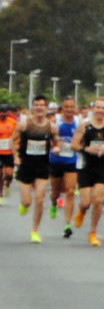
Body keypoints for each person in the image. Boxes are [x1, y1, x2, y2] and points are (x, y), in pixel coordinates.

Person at [73, 99, 104, 246]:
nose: (100, 110)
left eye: (103, 108)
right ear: (94, 108)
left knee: (98, 200)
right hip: (86, 166)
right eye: (98, 107)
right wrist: (86, 149)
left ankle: (93, 232)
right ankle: (82, 210)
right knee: (86, 202)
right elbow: (74, 144)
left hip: (103, 166)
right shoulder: (85, 124)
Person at [15, 97, 56, 242]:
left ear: (46, 108)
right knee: (27, 201)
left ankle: (35, 231)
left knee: (39, 200)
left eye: (42, 105)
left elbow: (57, 141)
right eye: (37, 105)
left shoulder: (51, 126)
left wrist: (57, 147)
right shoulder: (25, 124)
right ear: (32, 107)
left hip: (42, 166)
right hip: (26, 165)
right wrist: (15, 156)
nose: (39, 108)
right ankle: (24, 205)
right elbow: (13, 140)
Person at [51, 97, 80, 238]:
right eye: (66, 107)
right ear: (62, 108)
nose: (69, 109)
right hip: (56, 160)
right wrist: (55, 145)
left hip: (71, 160)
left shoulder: (79, 122)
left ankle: (67, 224)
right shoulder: (56, 121)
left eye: (72, 107)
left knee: (70, 191)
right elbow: (49, 137)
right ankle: (53, 201)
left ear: (75, 108)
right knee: (56, 192)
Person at [0, 102, 18, 205]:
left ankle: (7, 184)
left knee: (9, 174)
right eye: (1, 112)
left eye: (5, 112)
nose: (3, 114)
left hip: (9, 152)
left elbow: (17, 135)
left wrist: (17, 146)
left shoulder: (13, 122)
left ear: (8, 113)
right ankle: (0, 194)